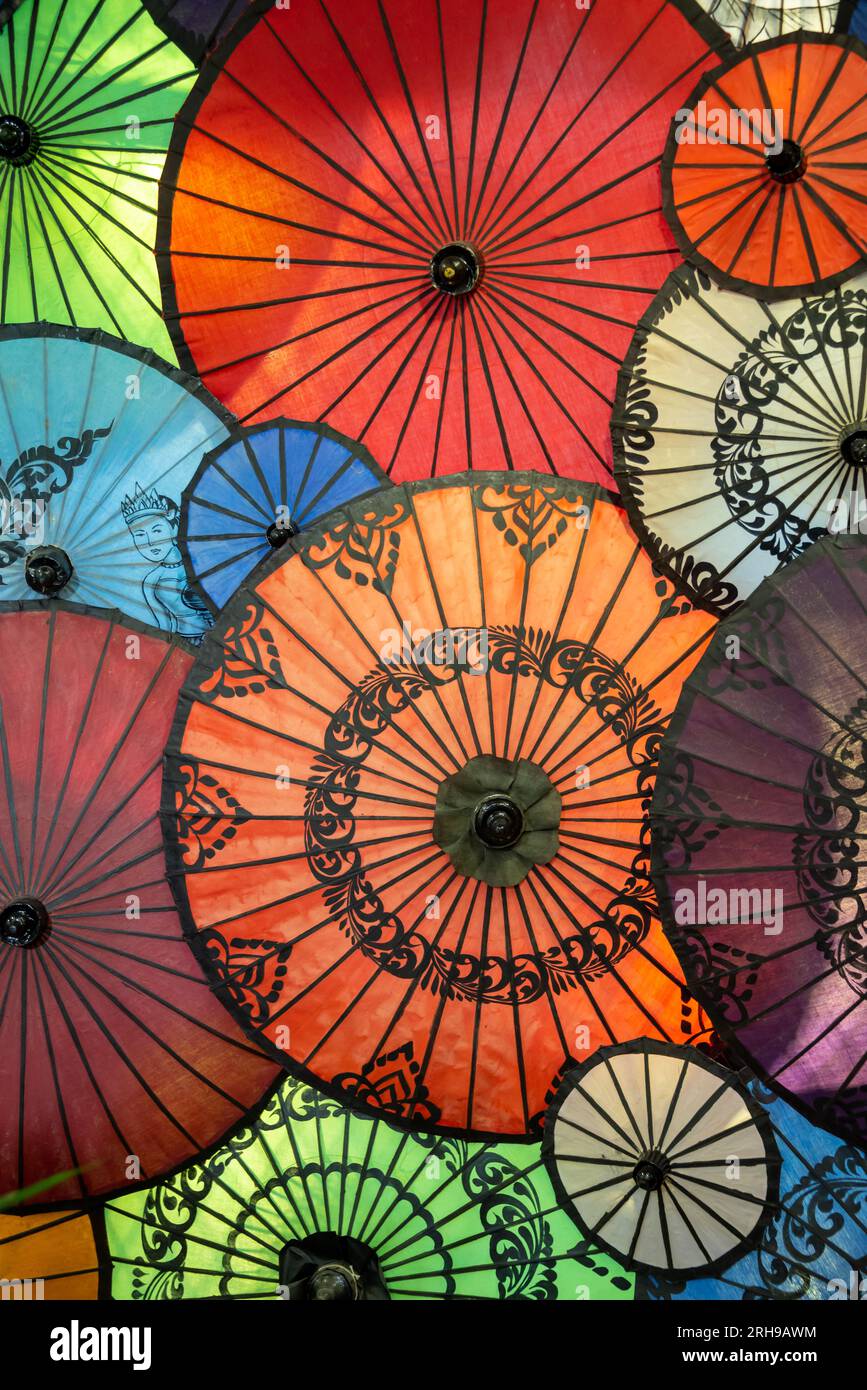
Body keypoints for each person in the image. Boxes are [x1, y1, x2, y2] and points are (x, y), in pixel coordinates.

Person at [121, 482, 212, 643]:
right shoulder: (151, 580)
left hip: (222, 634)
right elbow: (163, 626)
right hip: (185, 644)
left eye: (156, 530)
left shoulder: (200, 562)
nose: (150, 542)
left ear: (173, 527)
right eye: (139, 534)